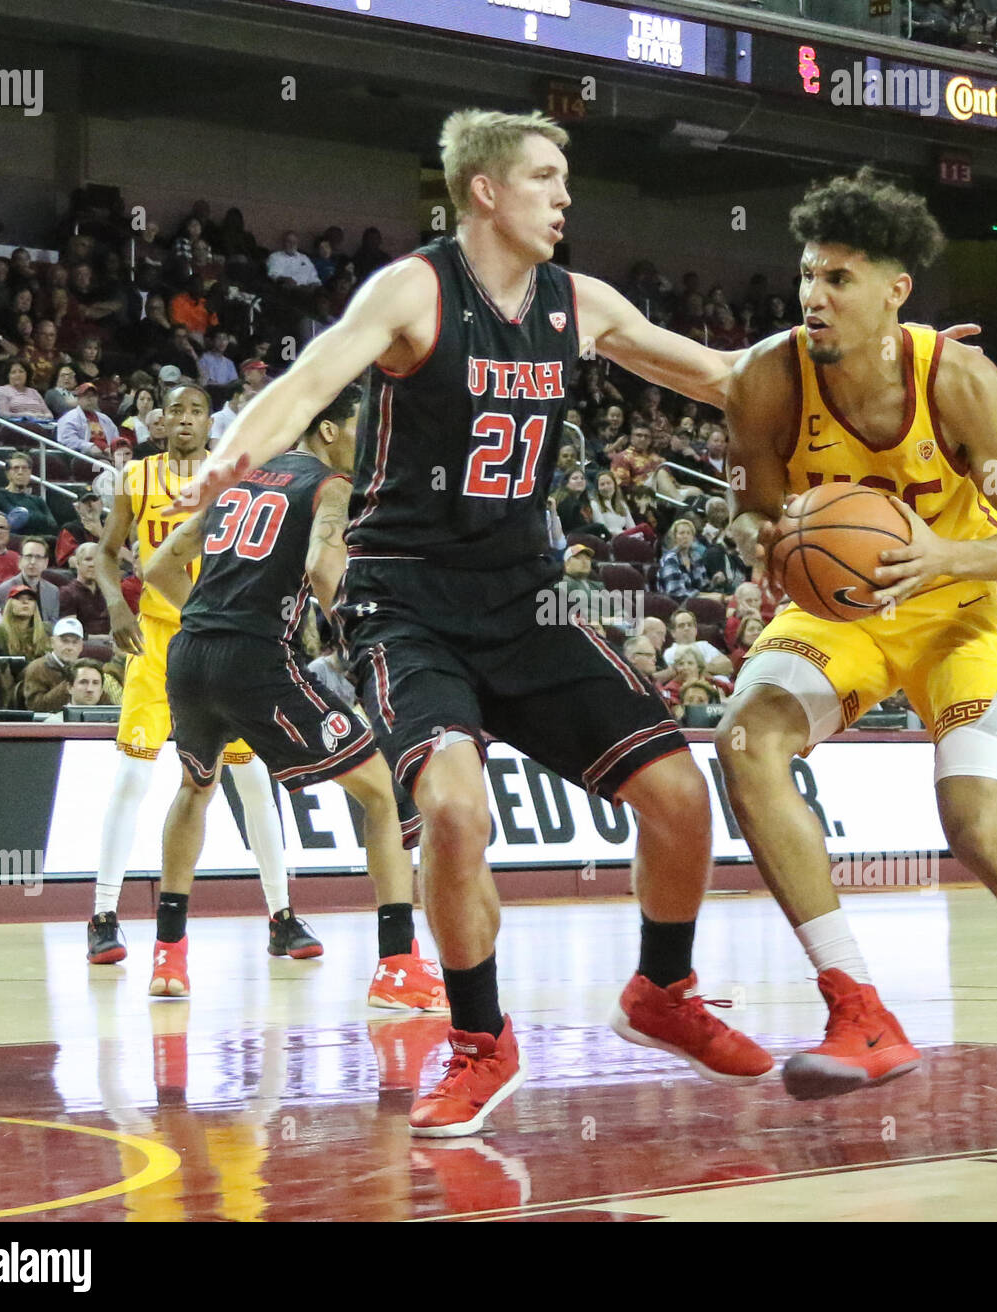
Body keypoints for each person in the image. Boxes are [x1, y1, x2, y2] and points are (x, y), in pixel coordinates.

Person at [179, 107, 772, 1138]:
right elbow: (312, 375)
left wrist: (879, 362)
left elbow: (721, 374)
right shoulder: (414, 289)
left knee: (678, 792)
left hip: (525, 596)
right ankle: (478, 1037)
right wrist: (236, 448)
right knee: (454, 813)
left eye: (565, 177)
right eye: (547, 177)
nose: (565, 195)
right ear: (486, 190)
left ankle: (661, 991)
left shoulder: (575, 301)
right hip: (403, 599)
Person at [716, 168, 997, 1138]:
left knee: (975, 820)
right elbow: (751, 506)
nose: (813, 295)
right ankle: (859, 1009)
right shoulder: (767, 375)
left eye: (838, 278)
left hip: (965, 607)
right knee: (745, 739)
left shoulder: (958, 381)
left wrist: (942, 556)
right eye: (806, 274)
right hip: (846, 610)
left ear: (895, 292)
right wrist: (763, 534)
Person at [138, 384, 441, 1003]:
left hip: (190, 655)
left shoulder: (243, 480)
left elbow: (160, 564)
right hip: (259, 663)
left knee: (196, 789)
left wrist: (209, 617)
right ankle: (396, 967)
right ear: (328, 432)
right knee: (384, 791)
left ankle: (168, 959)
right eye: (363, 427)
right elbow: (324, 568)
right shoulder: (330, 488)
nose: (372, 442)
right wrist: (362, 647)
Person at [85, 385, 309, 967]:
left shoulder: (236, 475)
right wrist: (114, 605)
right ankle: (103, 916)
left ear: (213, 421)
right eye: (175, 410)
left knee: (253, 781)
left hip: (218, 639)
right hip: (157, 640)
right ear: (158, 420)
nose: (185, 419)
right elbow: (108, 553)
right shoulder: (137, 475)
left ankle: (282, 917)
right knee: (133, 778)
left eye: (196, 410)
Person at [22, 617, 87, 711]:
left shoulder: (87, 669)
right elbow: (35, 708)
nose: (70, 647)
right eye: (64, 641)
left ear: (81, 646)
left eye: (75, 642)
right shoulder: (36, 668)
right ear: (52, 642)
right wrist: (70, 683)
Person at [0, 454, 58, 537]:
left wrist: (29, 519)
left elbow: (53, 525)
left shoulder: (37, 500)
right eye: (16, 468)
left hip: (40, 541)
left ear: (30, 473)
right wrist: (40, 519)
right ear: (8, 473)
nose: (20, 472)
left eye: (24, 468)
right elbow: (16, 518)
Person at [0, 586, 51, 661]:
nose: (25, 602)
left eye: (30, 599)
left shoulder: (46, 629)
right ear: (10, 605)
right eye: (19, 598)